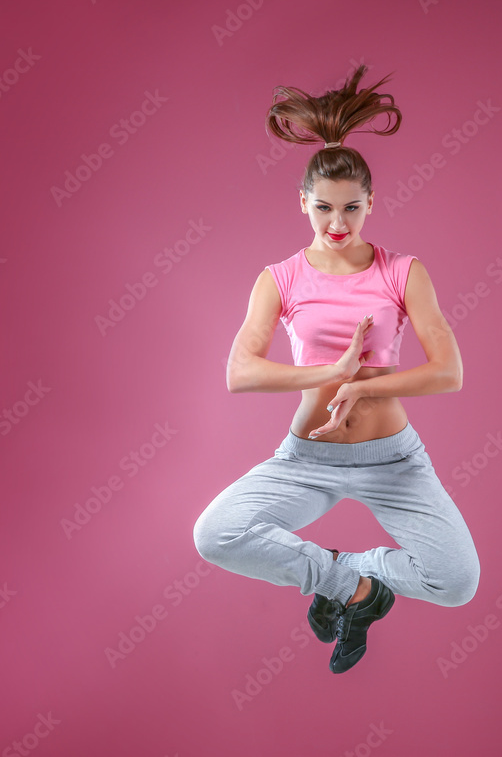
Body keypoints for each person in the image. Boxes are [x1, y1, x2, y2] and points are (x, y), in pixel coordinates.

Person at [193, 64, 480, 674]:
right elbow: (240, 372)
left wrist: (361, 381)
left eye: (352, 208)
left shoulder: (403, 270)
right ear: (303, 202)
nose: (338, 224)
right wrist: (326, 376)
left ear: (372, 202)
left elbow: (448, 371)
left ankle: (360, 571)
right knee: (215, 534)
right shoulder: (280, 278)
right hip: (308, 458)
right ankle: (343, 585)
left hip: (393, 460)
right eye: (324, 208)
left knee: (456, 581)